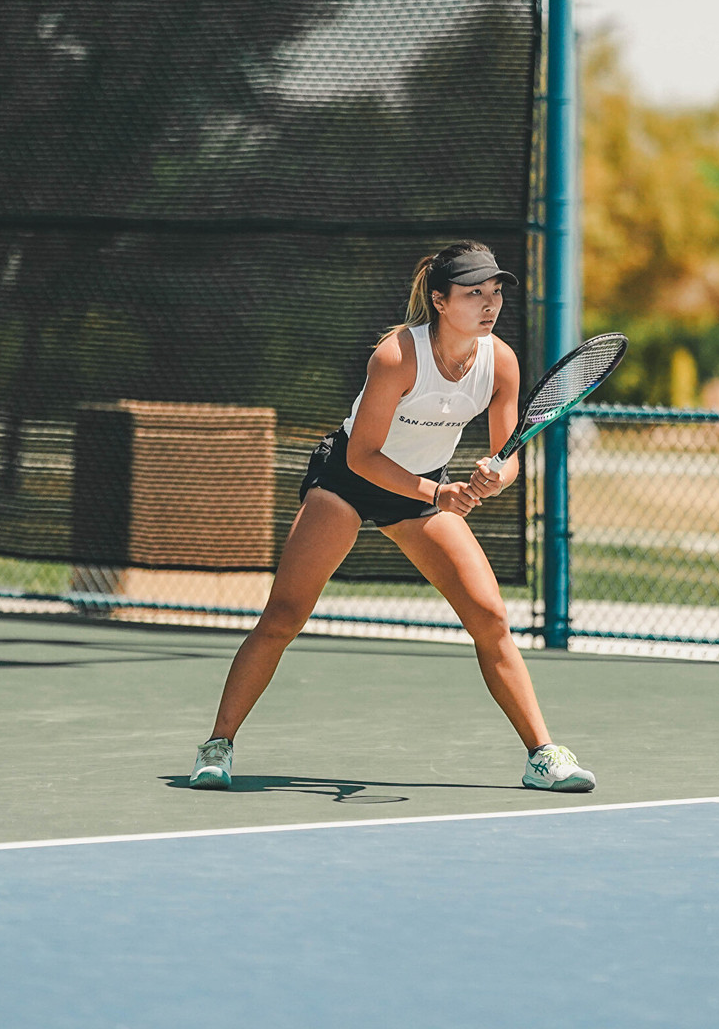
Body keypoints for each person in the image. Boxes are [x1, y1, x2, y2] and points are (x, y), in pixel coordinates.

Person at [189, 242, 596, 794]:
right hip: (349, 480)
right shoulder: (397, 356)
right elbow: (363, 455)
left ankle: (542, 755)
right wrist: (439, 493)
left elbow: (509, 457)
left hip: (420, 490)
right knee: (284, 615)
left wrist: (495, 476)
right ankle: (218, 745)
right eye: (474, 293)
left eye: (496, 292)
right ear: (440, 301)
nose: (490, 304)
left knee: (490, 617)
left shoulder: (500, 361)